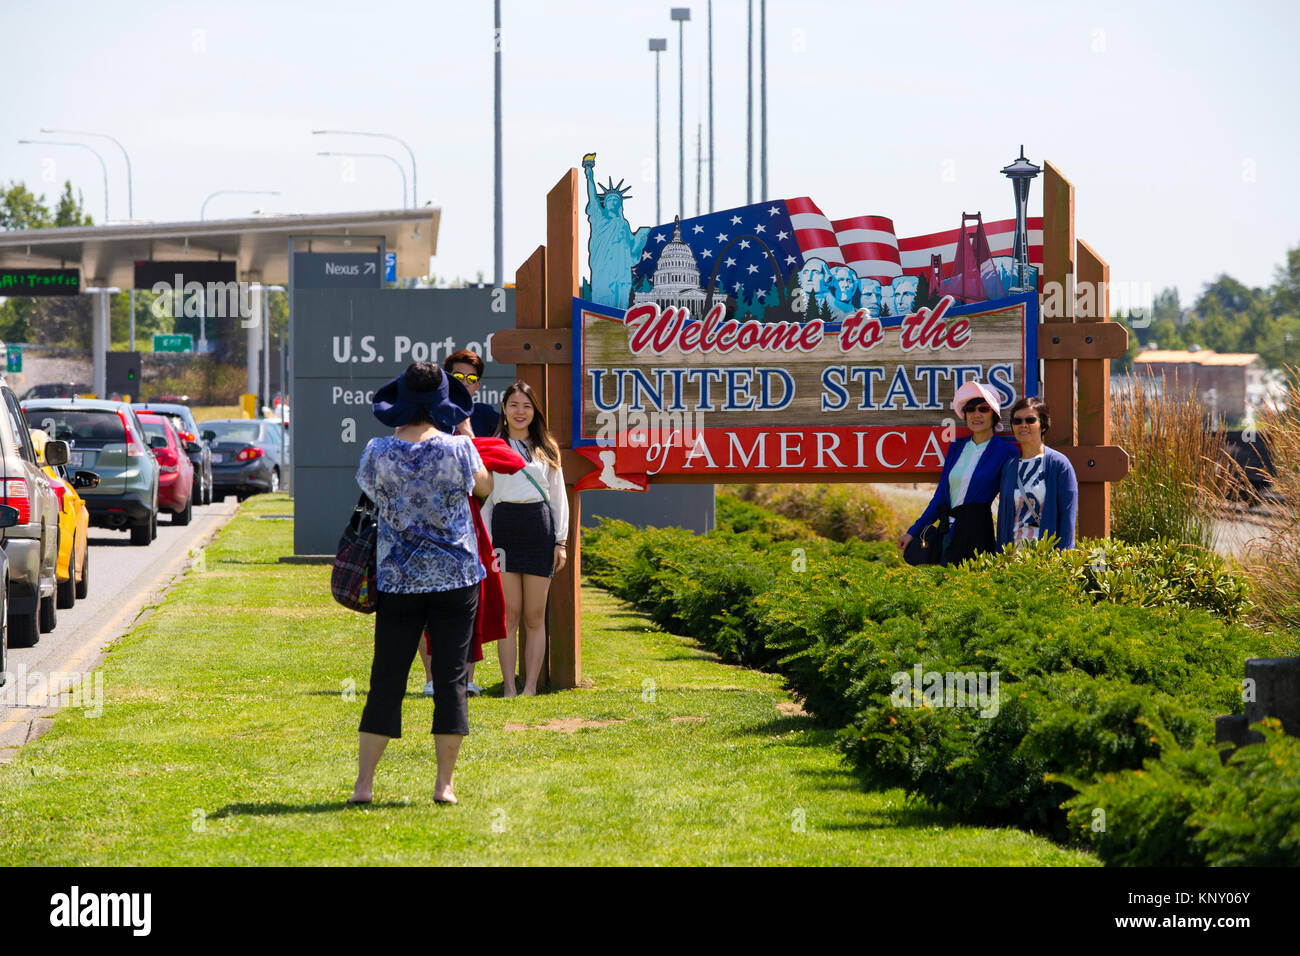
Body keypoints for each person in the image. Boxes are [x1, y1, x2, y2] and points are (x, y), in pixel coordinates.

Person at [350, 361, 493, 806]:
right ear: (443, 403)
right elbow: (485, 489)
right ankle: (444, 785)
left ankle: (364, 785)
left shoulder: (376, 450)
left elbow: (372, 494)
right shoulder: (458, 450)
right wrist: (464, 429)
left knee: (386, 676)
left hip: (398, 576)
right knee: (451, 677)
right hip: (456, 575)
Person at [415, 348, 502, 699]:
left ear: (479, 385)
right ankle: (433, 678)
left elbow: (488, 473)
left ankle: (466, 677)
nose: (464, 384)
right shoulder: (427, 415)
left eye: (471, 379)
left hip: (470, 515)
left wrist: (467, 433)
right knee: (427, 598)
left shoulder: (484, 417)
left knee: (472, 596)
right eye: (457, 377)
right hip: (428, 517)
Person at [482, 382, 568, 697]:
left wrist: (561, 542)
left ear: (535, 411)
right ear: (504, 409)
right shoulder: (491, 447)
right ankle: (508, 686)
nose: (520, 411)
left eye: (527, 405)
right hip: (504, 529)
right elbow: (486, 502)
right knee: (509, 615)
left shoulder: (547, 448)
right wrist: (488, 545)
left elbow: (558, 498)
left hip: (539, 530)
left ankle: (530, 688)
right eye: (514, 405)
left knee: (534, 615)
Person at [896, 380, 1020, 565]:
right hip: (948, 532)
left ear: (994, 414)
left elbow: (1012, 501)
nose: (976, 414)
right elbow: (940, 498)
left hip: (978, 533)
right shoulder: (957, 448)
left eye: (983, 409)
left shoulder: (1006, 452)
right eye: (970, 409)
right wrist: (913, 531)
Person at [997, 397, 1078, 550]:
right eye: (1017, 421)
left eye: (1030, 420)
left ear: (1043, 424)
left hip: (1045, 560)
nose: (1023, 425)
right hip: (1012, 560)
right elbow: (1003, 520)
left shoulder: (1059, 465)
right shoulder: (1009, 467)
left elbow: (1067, 519)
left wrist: (1062, 559)